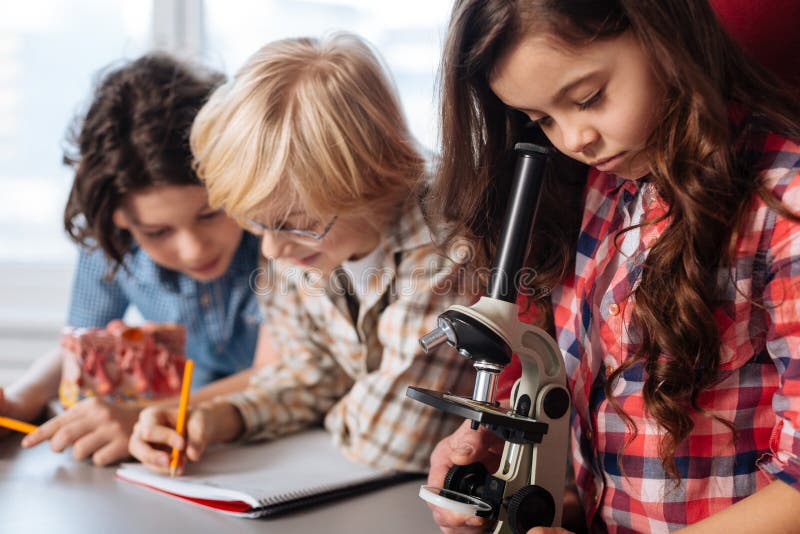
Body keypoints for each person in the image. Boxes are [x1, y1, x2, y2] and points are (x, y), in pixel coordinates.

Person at [425, 1, 800, 532]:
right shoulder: (606, 187)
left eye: (588, 98)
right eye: (543, 119)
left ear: (662, 32)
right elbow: (615, 458)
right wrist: (509, 486)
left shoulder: (785, 202)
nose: (574, 139)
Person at [127, 33, 475, 475]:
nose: (271, 248)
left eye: (298, 224)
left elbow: (389, 442)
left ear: (368, 179)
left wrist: (334, 403)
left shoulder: (446, 249)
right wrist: (220, 418)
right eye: (255, 223)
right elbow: (310, 373)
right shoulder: (300, 238)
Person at [1, 54, 273, 466]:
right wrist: (24, 397)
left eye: (210, 214)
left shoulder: (279, 234)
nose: (193, 249)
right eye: (158, 232)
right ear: (120, 221)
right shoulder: (111, 245)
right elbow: (82, 347)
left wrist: (143, 416)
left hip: (277, 440)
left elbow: (281, 373)